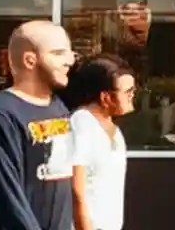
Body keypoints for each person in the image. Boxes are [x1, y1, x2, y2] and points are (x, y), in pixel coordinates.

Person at [0, 20, 77, 230]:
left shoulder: (58, 107)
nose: (70, 61)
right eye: (58, 53)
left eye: (70, 53)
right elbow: (5, 195)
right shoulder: (0, 113)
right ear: (30, 60)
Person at [64, 54, 136, 230]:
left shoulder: (115, 131)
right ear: (106, 97)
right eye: (127, 92)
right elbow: (76, 190)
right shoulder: (81, 123)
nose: (132, 95)